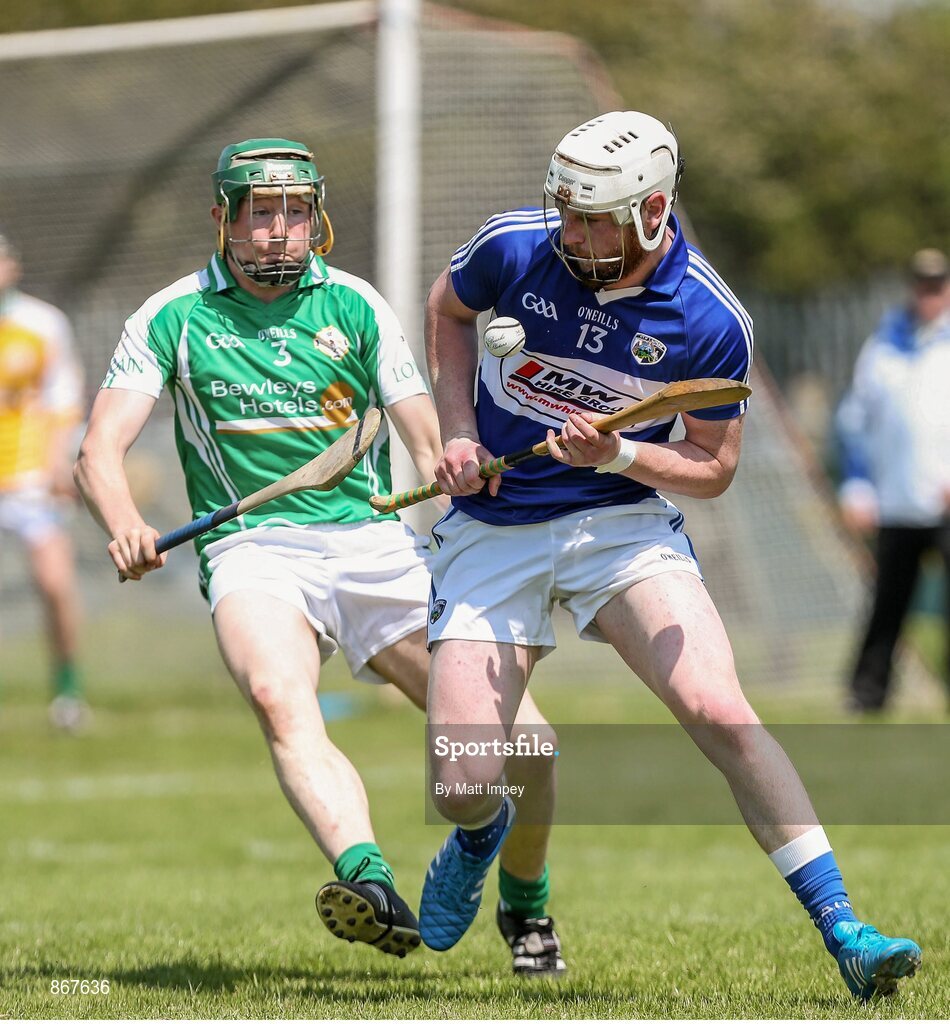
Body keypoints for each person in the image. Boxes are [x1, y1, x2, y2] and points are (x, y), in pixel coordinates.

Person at [418, 110, 921, 1000]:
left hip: (619, 525)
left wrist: (615, 454)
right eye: (564, 212)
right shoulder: (512, 246)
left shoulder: (707, 317)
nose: (570, 235)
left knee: (718, 706)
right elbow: (448, 310)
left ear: (652, 213)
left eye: (593, 219)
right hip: (493, 527)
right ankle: (477, 834)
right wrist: (458, 431)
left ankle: (846, 926)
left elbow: (713, 467)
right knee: (462, 782)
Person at [74, 138, 564, 974]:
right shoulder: (171, 315)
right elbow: (97, 452)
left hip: (372, 544)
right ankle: (367, 880)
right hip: (252, 548)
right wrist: (122, 520)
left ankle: (525, 905)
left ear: (317, 218)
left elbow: (423, 430)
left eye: (294, 213)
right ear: (224, 219)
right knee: (275, 692)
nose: (279, 232)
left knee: (530, 749)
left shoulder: (358, 307)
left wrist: (454, 463)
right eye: (261, 213)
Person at [836, 248, 950, 712]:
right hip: (897, 500)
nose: (929, 295)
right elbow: (853, 422)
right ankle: (868, 692)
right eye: (922, 286)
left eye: (937, 286)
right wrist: (857, 487)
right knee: (887, 603)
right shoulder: (882, 347)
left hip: (945, 501)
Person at [0, 232, 86, 731]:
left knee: (54, 584)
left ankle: (68, 693)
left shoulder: (42, 324)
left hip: (30, 478)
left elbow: (62, 399)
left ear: (14, 267)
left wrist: (59, 464)